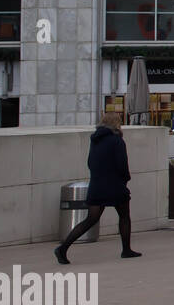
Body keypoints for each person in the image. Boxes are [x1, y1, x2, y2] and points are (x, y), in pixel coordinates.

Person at [54, 113, 142, 264]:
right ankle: (126, 250)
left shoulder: (95, 140)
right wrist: (125, 179)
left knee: (91, 219)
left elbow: (90, 162)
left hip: (97, 184)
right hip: (115, 185)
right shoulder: (117, 140)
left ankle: (63, 248)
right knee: (124, 216)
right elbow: (122, 164)